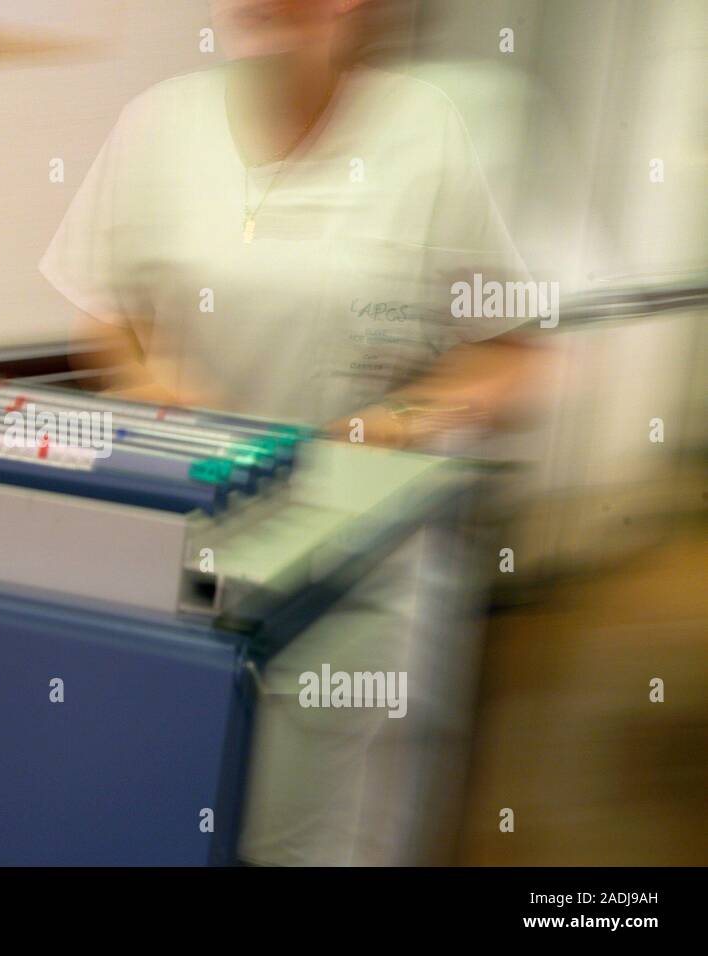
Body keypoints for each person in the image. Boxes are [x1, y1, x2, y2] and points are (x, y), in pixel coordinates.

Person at [39, 0, 548, 864]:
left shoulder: (429, 136)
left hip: (356, 575)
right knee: (167, 814)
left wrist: (395, 423)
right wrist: (146, 380)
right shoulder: (161, 121)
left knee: (313, 841)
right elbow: (100, 303)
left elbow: (510, 354)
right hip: (194, 554)